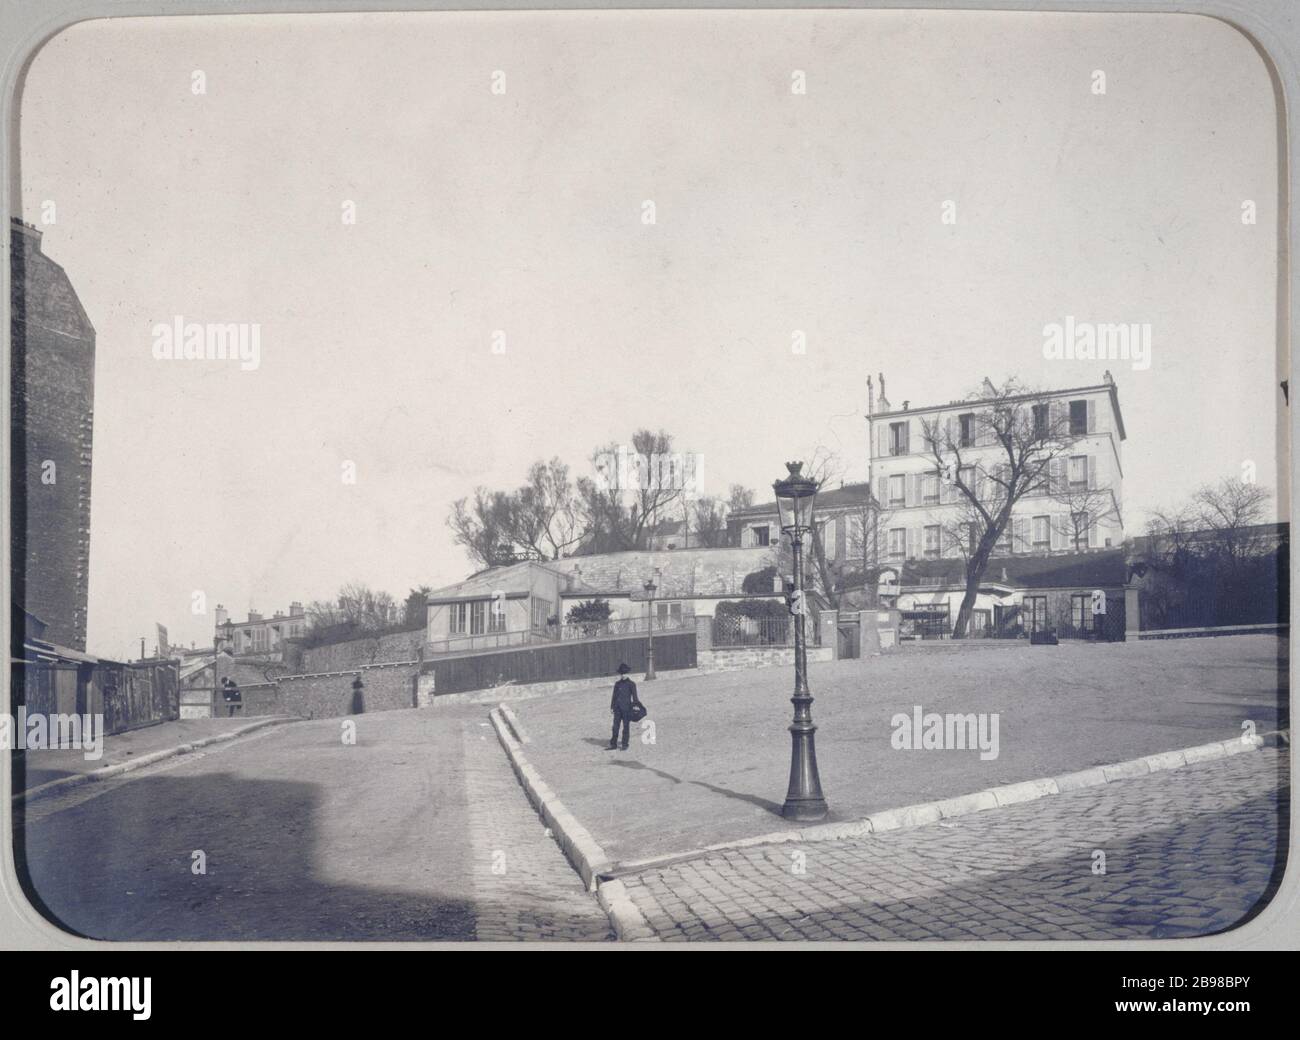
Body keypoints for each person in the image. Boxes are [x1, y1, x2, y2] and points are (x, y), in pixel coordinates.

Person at [606, 663, 641, 750]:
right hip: (617, 709)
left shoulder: (631, 684)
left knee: (626, 727)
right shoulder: (617, 684)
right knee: (615, 727)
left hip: (627, 709)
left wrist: (635, 706)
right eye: (621, 673)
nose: (623, 675)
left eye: (624, 673)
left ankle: (625, 744)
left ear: (627, 673)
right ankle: (613, 744)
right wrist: (612, 707)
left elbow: (635, 697)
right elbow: (614, 696)